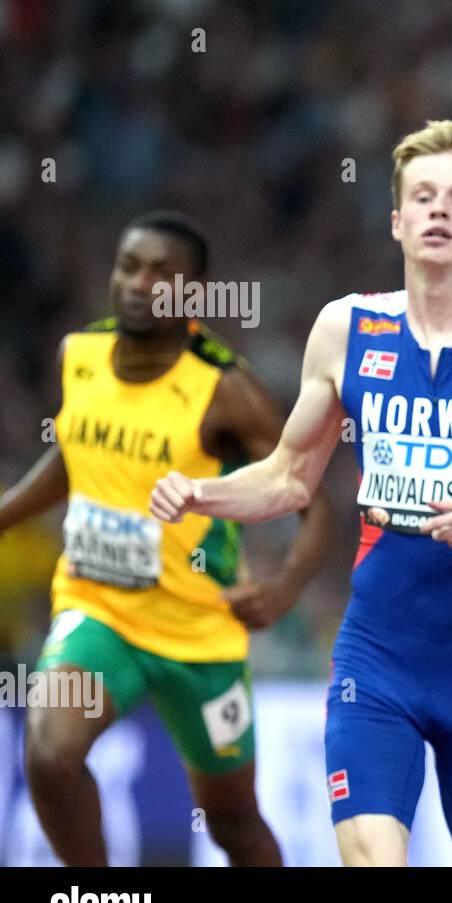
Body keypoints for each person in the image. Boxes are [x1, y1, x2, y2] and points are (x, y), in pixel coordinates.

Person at [152, 120, 452, 867]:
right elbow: (288, 476)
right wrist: (198, 492)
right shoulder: (346, 328)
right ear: (396, 219)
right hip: (378, 658)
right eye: (423, 197)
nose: (439, 211)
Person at [0, 210, 333, 866]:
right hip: (99, 611)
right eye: (129, 266)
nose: (138, 283)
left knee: (233, 823)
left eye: (161, 273)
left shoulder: (225, 390)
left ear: (194, 294)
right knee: (49, 752)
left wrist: (285, 586)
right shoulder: (79, 356)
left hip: (197, 634)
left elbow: (314, 504)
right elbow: (77, 455)